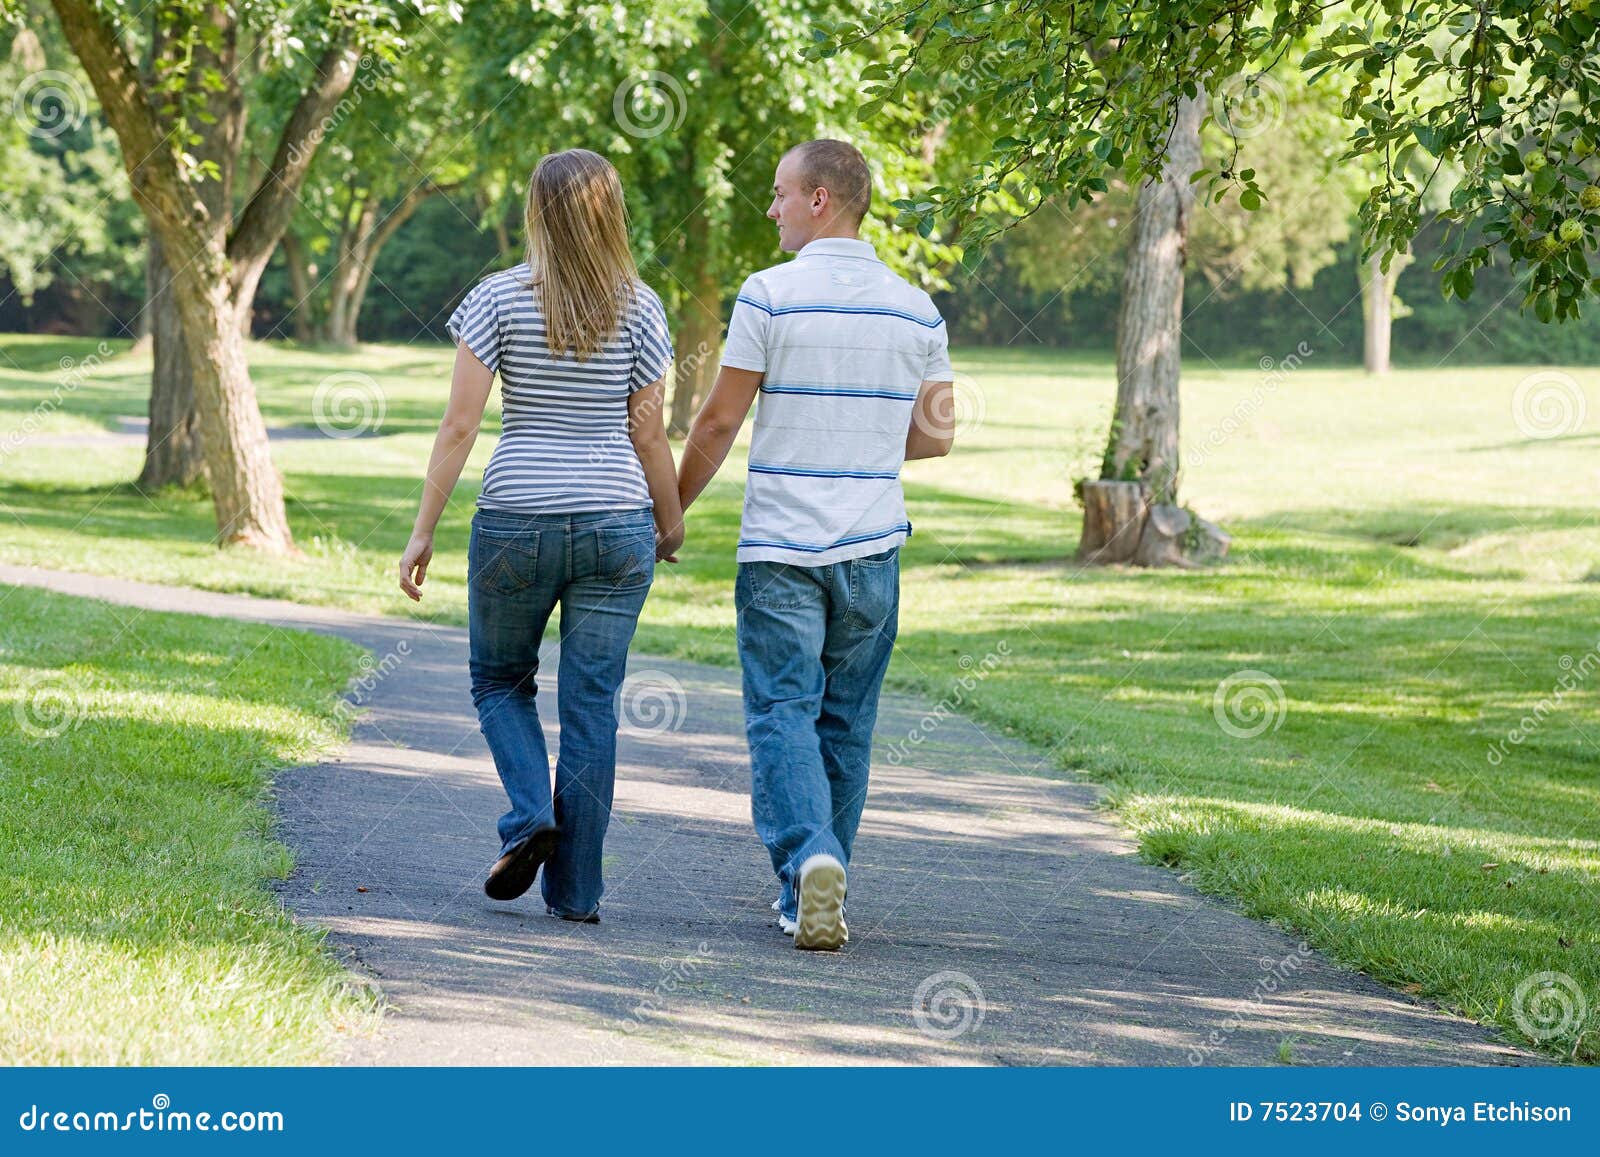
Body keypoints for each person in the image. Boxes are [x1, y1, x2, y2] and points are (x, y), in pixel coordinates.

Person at [677, 139, 955, 950]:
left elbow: (720, 420)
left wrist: (673, 511)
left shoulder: (769, 295)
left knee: (780, 713)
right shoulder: (917, 308)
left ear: (821, 200)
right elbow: (937, 436)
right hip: (872, 550)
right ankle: (812, 892)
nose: (771, 209)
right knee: (847, 723)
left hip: (781, 550)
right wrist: (860, 438)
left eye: (779, 194)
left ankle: (810, 858)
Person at [398, 148, 682, 922]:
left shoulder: (497, 297)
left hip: (516, 518)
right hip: (617, 522)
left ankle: (530, 818)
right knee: (592, 705)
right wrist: (670, 516)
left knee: (499, 680)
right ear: (611, 213)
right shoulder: (643, 307)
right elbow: (649, 434)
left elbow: (460, 424)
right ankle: (578, 894)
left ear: (536, 212)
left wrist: (423, 530)